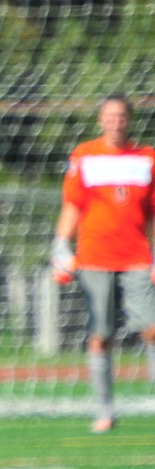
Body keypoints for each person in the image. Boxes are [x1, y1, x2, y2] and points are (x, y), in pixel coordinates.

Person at [50, 93, 155, 433]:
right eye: (109, 116)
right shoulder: (85, 155)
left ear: (129, 119)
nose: (115, 122)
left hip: (137, 256)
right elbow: (73, 204)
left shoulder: (148, 158)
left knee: (152, 329)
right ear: (101, 119)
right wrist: (61, 245)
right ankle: (104, 410)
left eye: (121, 116)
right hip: (94, 257)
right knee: (100, 334)